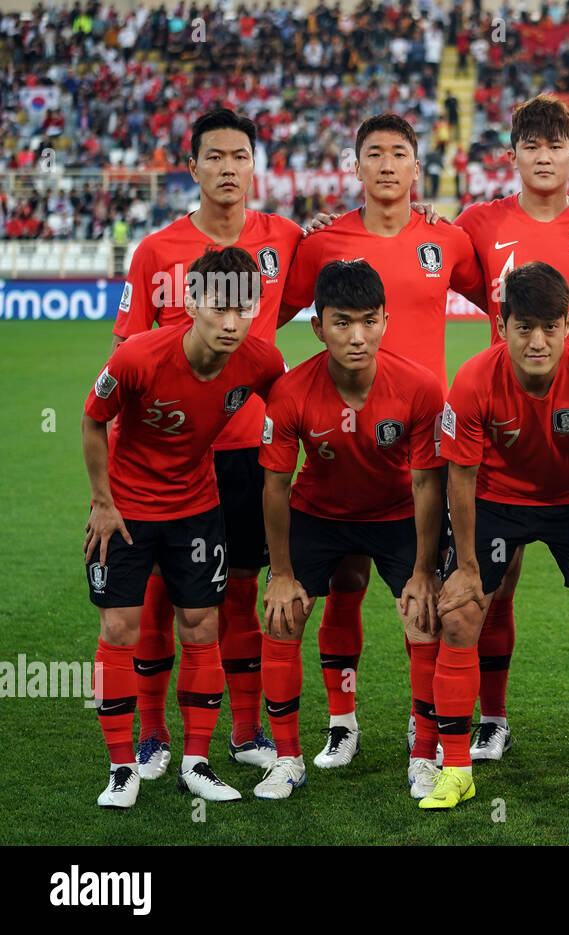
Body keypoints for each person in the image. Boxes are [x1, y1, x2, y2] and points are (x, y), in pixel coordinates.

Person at [279, 113, 484, 770]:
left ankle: (423, 730)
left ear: (417, 168)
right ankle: (342, 723)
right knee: (341, 586)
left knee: (422, 600)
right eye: (375, 153)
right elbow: (266, 319)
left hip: (424, 453)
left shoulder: (447, 240)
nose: (388, 164)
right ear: (356, 165)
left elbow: (508, 307)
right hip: (338, 457)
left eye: (401, 153)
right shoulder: (320, 244)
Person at [112, 108, 303, 783]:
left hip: (252, 454)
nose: (228, 168)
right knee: (162, 595)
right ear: (192, 167)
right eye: (214, 156)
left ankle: (245, 731)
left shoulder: (285, 239)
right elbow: (124, 367)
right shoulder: (156, 252)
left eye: (239, 156)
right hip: (167, 462)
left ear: (256, 166)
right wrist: (110, 486)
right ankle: (153, 735)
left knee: (242, 592)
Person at [451, 94, 569, 762]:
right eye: (532, 144)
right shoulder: (477, 223)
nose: (545, 155)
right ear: (514, 155)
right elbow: (416, 246)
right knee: (494, 590)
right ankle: (491, 719)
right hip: (503, 432)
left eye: (557, 144)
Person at [83, 246, 284, 808]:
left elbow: (292, 412)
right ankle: (122, 768)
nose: (230, 322)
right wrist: (102, 502)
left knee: (201, 626)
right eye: (218, 307)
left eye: (243, 308)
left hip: (197, 508)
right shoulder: (138, 357)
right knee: (119, 630)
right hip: (125, 512)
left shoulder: (262, 362)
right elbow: (92, 419)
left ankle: (196, 761)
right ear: (190, 301)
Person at [428, 261, 569, 813]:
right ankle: (456, 767)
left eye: (549, 327)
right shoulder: (472, 380)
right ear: (502, 326)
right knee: (461, 611)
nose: (537, 341)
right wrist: (466, 567)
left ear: (568, 324)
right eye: (524, 328)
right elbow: (460, 479)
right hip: (497, 501)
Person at [256, 260, 446, 801]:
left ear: (386, 320)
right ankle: (293, 755)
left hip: (395, 514)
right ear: (317, 327)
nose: (357, 337)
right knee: (283, 614)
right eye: (341, 323)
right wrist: (282, 573)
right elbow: (274, 486)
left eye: (368, 321)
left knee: (424, 615)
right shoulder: (291, 391)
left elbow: (428, 486)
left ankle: (424, 749)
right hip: (319, 513)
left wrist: (426, 570)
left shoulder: (419, 386)